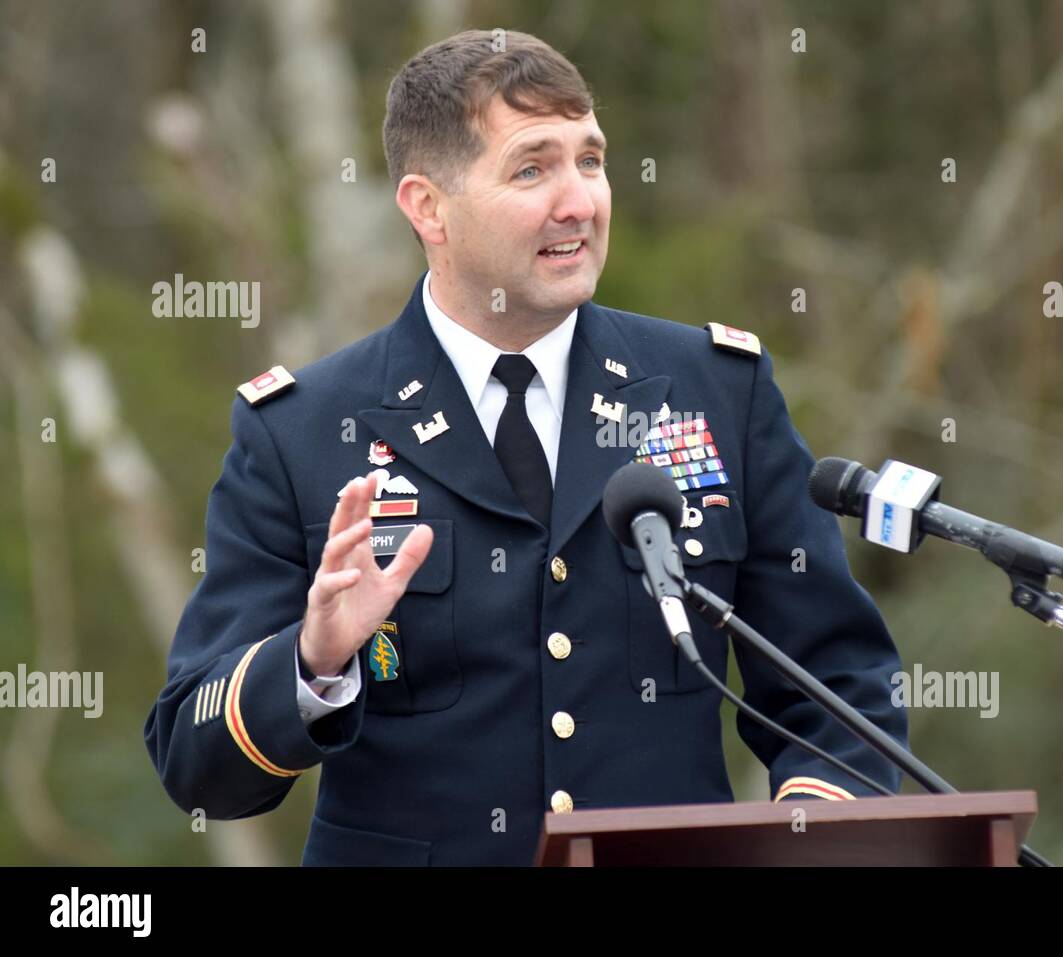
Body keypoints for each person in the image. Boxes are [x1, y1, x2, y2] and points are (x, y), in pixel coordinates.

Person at [144, 29, 908, 866]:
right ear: (427, 207)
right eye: (533, 168)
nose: (579, 201)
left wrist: (802, 835)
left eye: (591, 159)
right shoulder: (298, 429)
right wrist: (312, 661)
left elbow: (836, 684)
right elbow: (194, 757)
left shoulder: (716, 387)